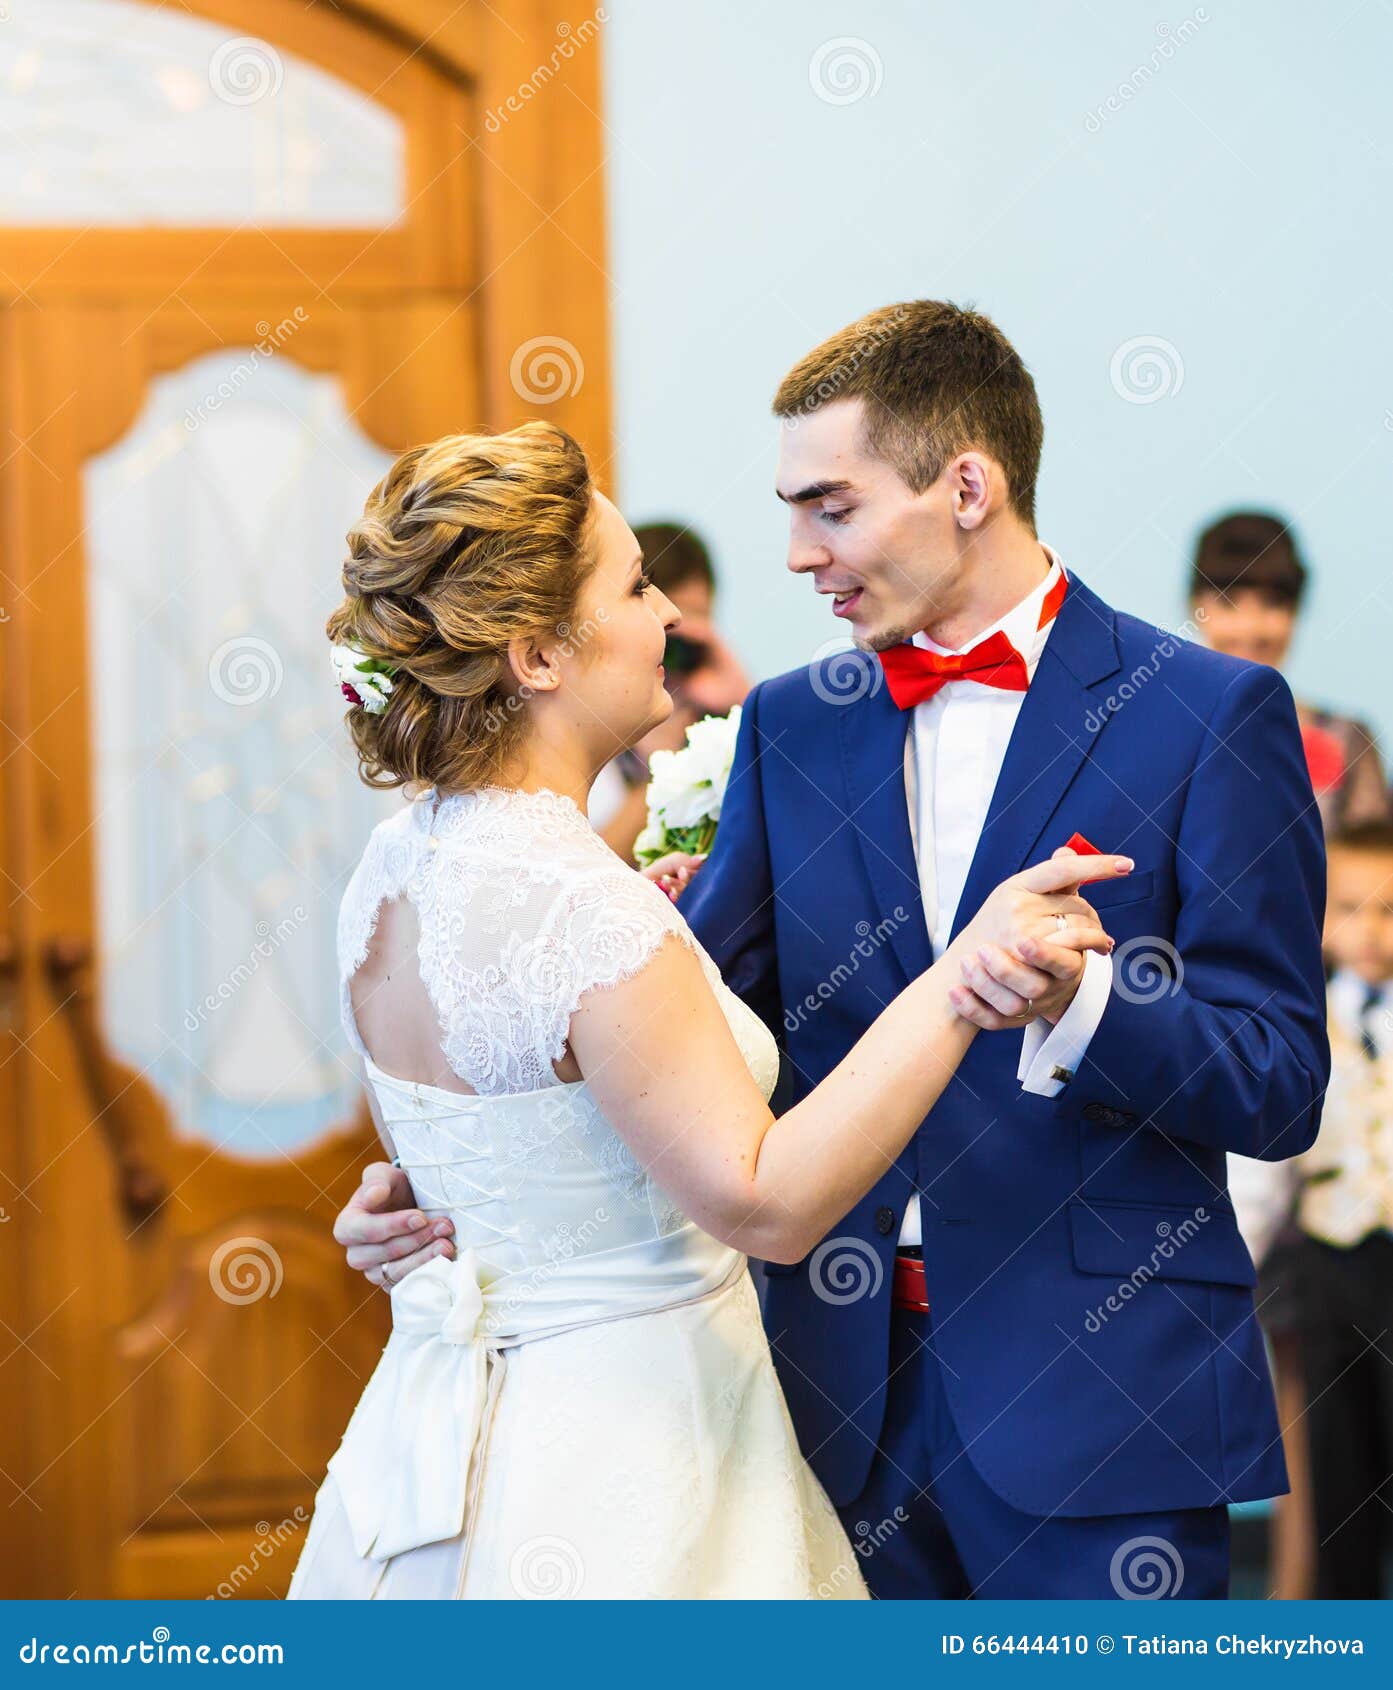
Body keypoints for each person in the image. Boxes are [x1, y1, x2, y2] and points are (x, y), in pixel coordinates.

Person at [334, 302, 1329, 1598]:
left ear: (965, 484)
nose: (797, 552)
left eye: (830, 506)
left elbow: (1277, 1079)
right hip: (819, 1403)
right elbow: (664, 1035)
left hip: (1102, 1410)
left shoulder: (1203, 715)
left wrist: (1081, 1002)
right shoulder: (793, 725)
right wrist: (461, 1188)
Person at [289, 420, 1123, 1600]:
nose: (667, 618)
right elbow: (765, 1202)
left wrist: (401, 1199)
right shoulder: (584, 910)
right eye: (633, 587)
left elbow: (497, 1139)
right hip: (636, 1437)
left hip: (451, 1436)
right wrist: (957, 980)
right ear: (537, 655)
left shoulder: (389, 867)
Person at [1229, 820, 1393, 1598]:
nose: (1369, 931)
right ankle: (1342, 1635)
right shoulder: (1302, 1028)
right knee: (1335, 1474)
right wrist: (1231, 1272)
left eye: (1389, 911)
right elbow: (1266, 1171)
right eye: (1351, 909)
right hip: (1330, 1277)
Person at [1189, 510, 1389, 832]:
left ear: (1296, 611)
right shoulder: (1158, 732)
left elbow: (1376, 873)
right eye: (1228, 602)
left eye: (1272, 604)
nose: (1251, 628)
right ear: (1195, 608)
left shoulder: (1347, 740)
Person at [588, 521, 749, 862]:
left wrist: (746, 708)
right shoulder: (593, 722)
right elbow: (591, 873)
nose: (675, 632)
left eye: (696, 620)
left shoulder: (721, 712)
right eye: (665, 622)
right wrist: (660, 767)